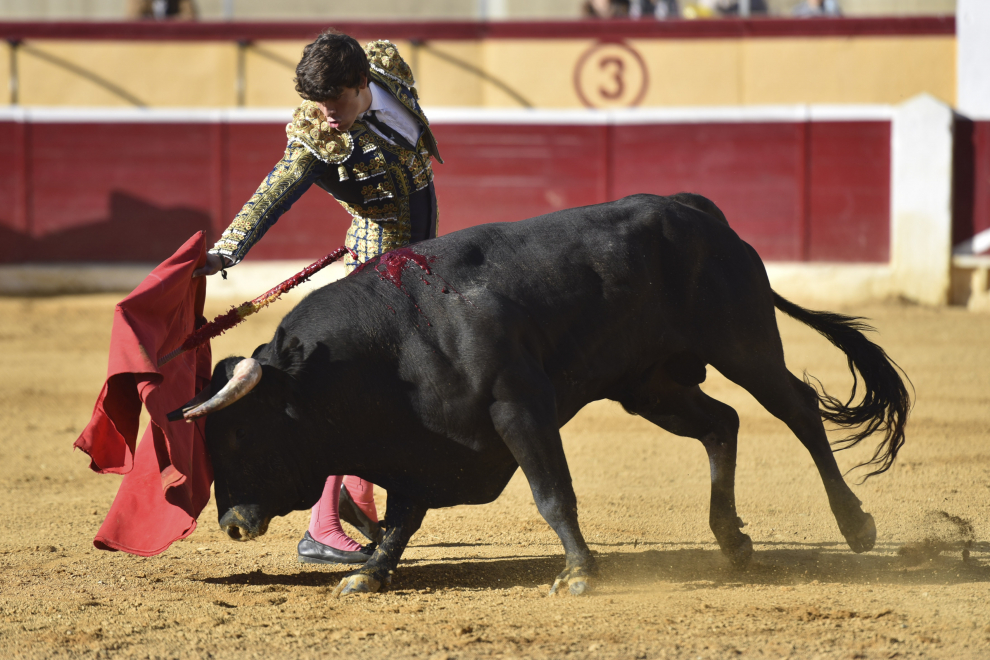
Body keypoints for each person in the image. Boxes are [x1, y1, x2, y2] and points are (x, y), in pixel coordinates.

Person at [194, 29, 443, 564]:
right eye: (317, 104)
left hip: (421, 254)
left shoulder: (386, 65)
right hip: (376, 273)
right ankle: (321, 526)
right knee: (355, 392)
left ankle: (357, 492)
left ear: (361, 82)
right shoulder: (317, 134)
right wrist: (225, 251)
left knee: (388, 386)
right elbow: (275, 188)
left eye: (336, 101)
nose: (326, 115)